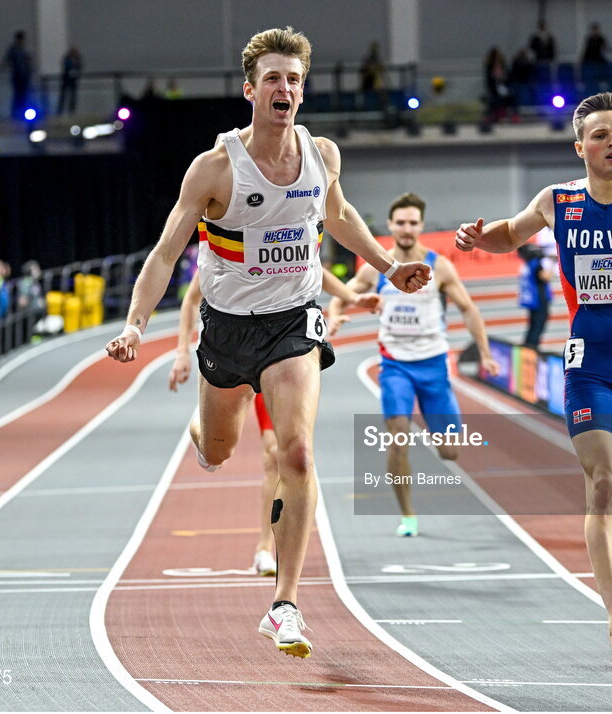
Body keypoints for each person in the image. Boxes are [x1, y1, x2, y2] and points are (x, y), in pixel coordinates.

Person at [104, 26, 430, 660]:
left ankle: (284, 605)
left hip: (293, 321)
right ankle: (203, 431)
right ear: (250, 89)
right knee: (220, 451)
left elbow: (337, 214)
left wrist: (388, 269)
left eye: (295, 80)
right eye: (274, 79)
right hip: (228, 329)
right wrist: (136, 324)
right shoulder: (215, 167)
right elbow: (167, 252)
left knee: (297, 454)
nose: (286, 89)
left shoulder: (322, 154)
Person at [455, 92, 612, 669]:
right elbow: (508, 235)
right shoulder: (558, 200)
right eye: (600, 135)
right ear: (580, 147)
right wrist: (477, 236)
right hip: (588, 362)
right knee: (601, 484)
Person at [169, 267, 380, 574]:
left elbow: (313, 266)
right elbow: (190, 299)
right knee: (220, 452)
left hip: (282, 353)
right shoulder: (226, 244)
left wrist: (351, 297)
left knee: (280, 455)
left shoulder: (287, 236)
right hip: (236, 355)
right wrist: (181, 353)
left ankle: (266, 550)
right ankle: (206, 424)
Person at [328, 192, 500, 538]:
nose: (406, 228)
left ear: (421, 226)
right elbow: (341, 295)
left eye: (413, 222)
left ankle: (426, 430)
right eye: (400, 222)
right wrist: (334, 317)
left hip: (434, 367)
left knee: (450, 451)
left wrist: (484, 352)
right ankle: (408, 516)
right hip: (395, 367)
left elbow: (468, 308)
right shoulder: (378, 268)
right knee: (397, 439)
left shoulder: (439, 266)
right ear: (391, 225)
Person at [516, 239, 553, 349]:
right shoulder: (536, 264)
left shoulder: (528, 264)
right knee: (538, 325)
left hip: (532, 300)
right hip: (539, 299)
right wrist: (552, 264)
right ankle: (531, 348)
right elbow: (545, 277)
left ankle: (528, 346)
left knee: (533, 325)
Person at [3, 31, 32, 118]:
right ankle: (16, 113)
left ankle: (20, 112)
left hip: (24, 76)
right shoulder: (14, 49)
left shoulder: (22, 49)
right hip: (17, 75)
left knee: (23, 95)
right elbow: (7, 61)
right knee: (18, 95)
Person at [58, 46, 83, 115]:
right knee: (63, 96)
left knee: (73, 97)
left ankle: (71, 111)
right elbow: (66, 67)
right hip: (66, 80)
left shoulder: (77, 59)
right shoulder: (67, 59)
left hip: (73, 80)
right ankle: (60, 111)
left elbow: (80, 67)